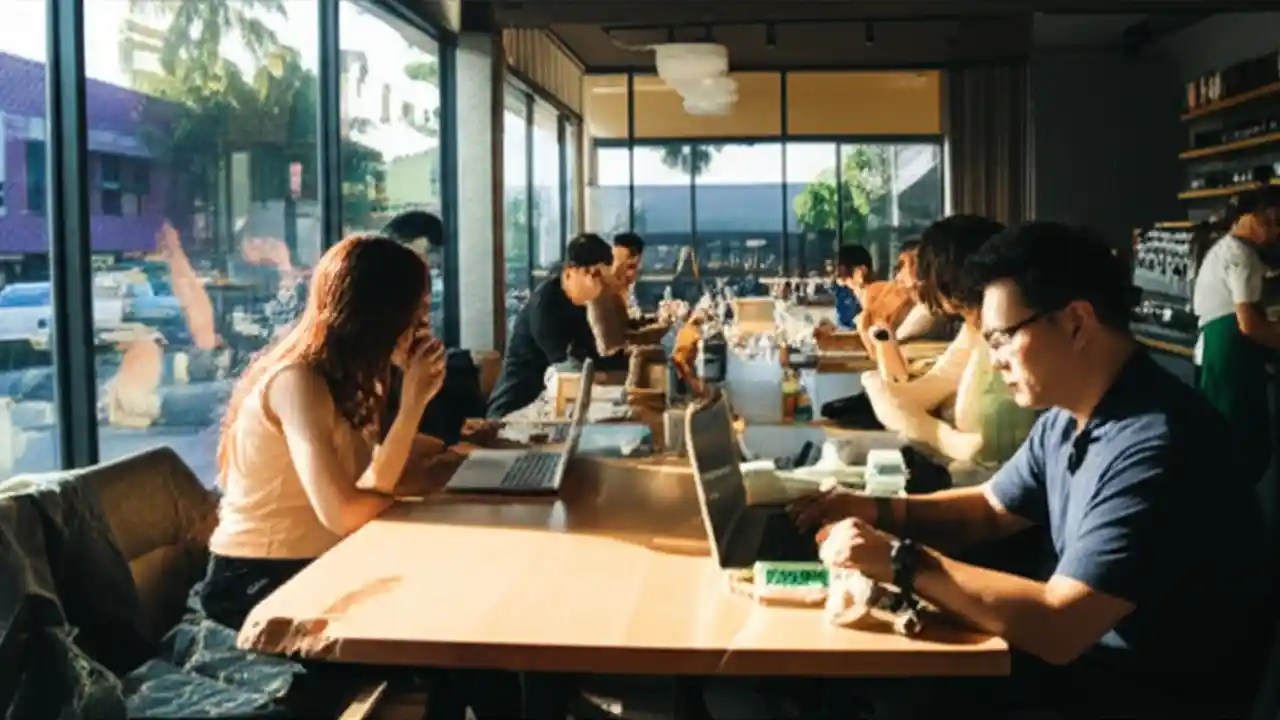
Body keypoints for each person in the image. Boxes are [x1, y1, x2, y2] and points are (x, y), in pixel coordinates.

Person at [794, 222, 1270, 716]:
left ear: (1076, 322)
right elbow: (986, 509)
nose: (993, 357)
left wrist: (899, 560)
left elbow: (1060, 625)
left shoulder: (1158, 442)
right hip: (1078, 675)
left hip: (1134, 696)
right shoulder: (1069, 417)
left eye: (1001, 337)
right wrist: (875, 510)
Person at [201, 234, 446, 631]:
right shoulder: (297, 381)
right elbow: (345, 512)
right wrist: (413, 405)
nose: (423, 327)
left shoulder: (348, 377)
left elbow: (373, 482)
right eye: (416, 313)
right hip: (257, 584)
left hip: (313, 564)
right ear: (380, 316)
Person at [863, 215, 1034, 465]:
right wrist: (876, 382)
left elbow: (988, 449)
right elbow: (925, 390)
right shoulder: (974, 329)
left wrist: (931, 432)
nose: (911, 279)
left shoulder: (1011, 344)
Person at [1192, 185, 1280, 483]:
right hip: (1231, 357)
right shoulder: (1241, 256)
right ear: (1255, 217)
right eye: (1273, 222)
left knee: (1217, 441)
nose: (1275, 232)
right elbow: (1249, 324)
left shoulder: (1225, 249)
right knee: (1240, 444)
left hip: (1216, 353)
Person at [486, 233, 615, 419]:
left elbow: (598, 357)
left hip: (550, 410)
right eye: (595, 275)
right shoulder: (545, 304)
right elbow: (569, 369)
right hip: (514, 412)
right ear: (571, 272)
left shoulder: (582, 305)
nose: (601, 286)